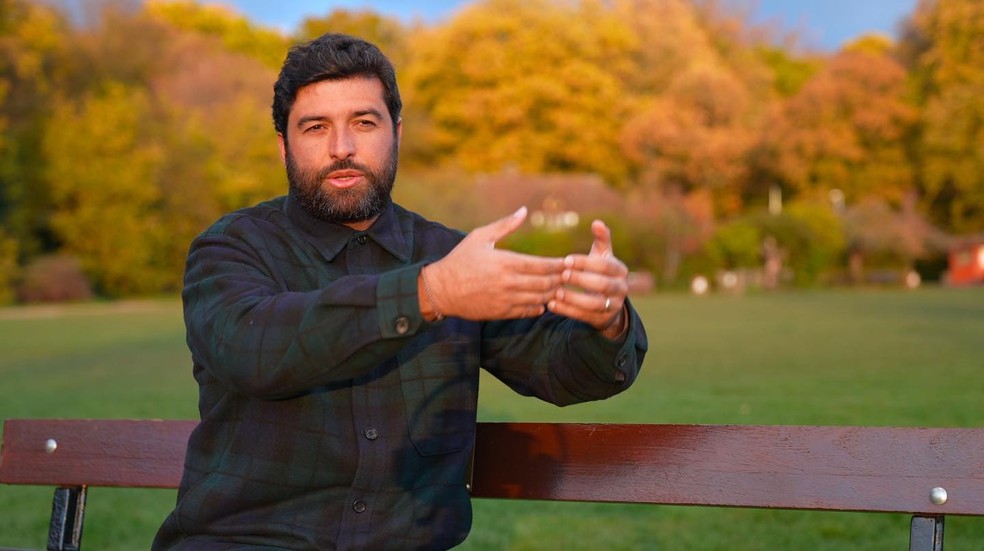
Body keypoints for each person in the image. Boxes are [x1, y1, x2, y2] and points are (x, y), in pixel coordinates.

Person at [153, 33, 647, 550]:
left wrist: (605, 318)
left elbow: (566, 371)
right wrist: (428, 295)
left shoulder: (454, 259)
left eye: (364, 123)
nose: (341, 147)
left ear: (397, 133)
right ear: (283, 144)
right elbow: (251, 348)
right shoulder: (230, 248)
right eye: (315, 127)